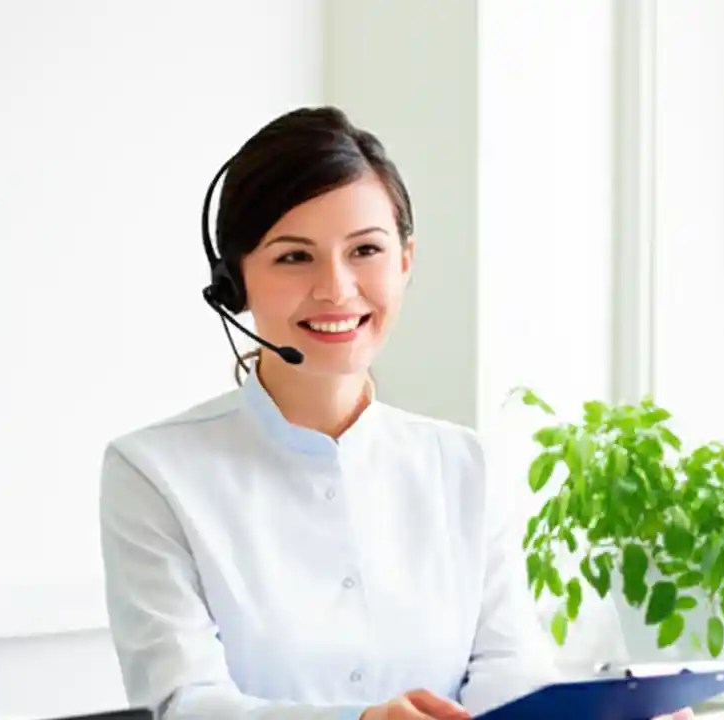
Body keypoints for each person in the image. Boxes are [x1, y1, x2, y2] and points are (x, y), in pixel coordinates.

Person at [100, 107, 547, 720]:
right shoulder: (153, 471)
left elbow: (510, 673)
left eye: (365, 250)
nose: (337, 289)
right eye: (293, 257)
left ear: (405, 262)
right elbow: (184, 702)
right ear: (236, 283)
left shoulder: (465, 465)